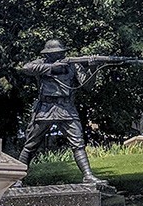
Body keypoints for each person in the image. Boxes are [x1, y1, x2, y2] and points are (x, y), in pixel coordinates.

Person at [17, 40, 106, 185]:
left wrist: (93, 67)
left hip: (66, 108)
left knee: (78, 143)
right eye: (56, 53)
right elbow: (26, 68)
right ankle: (17, 178)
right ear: (49, 54)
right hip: (45, 108)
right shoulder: (41, 63)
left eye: (61, 52)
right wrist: (52, 68)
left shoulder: (72, 65)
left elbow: (87, 85)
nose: (60, 55)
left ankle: (88, 175)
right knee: (31, 145)